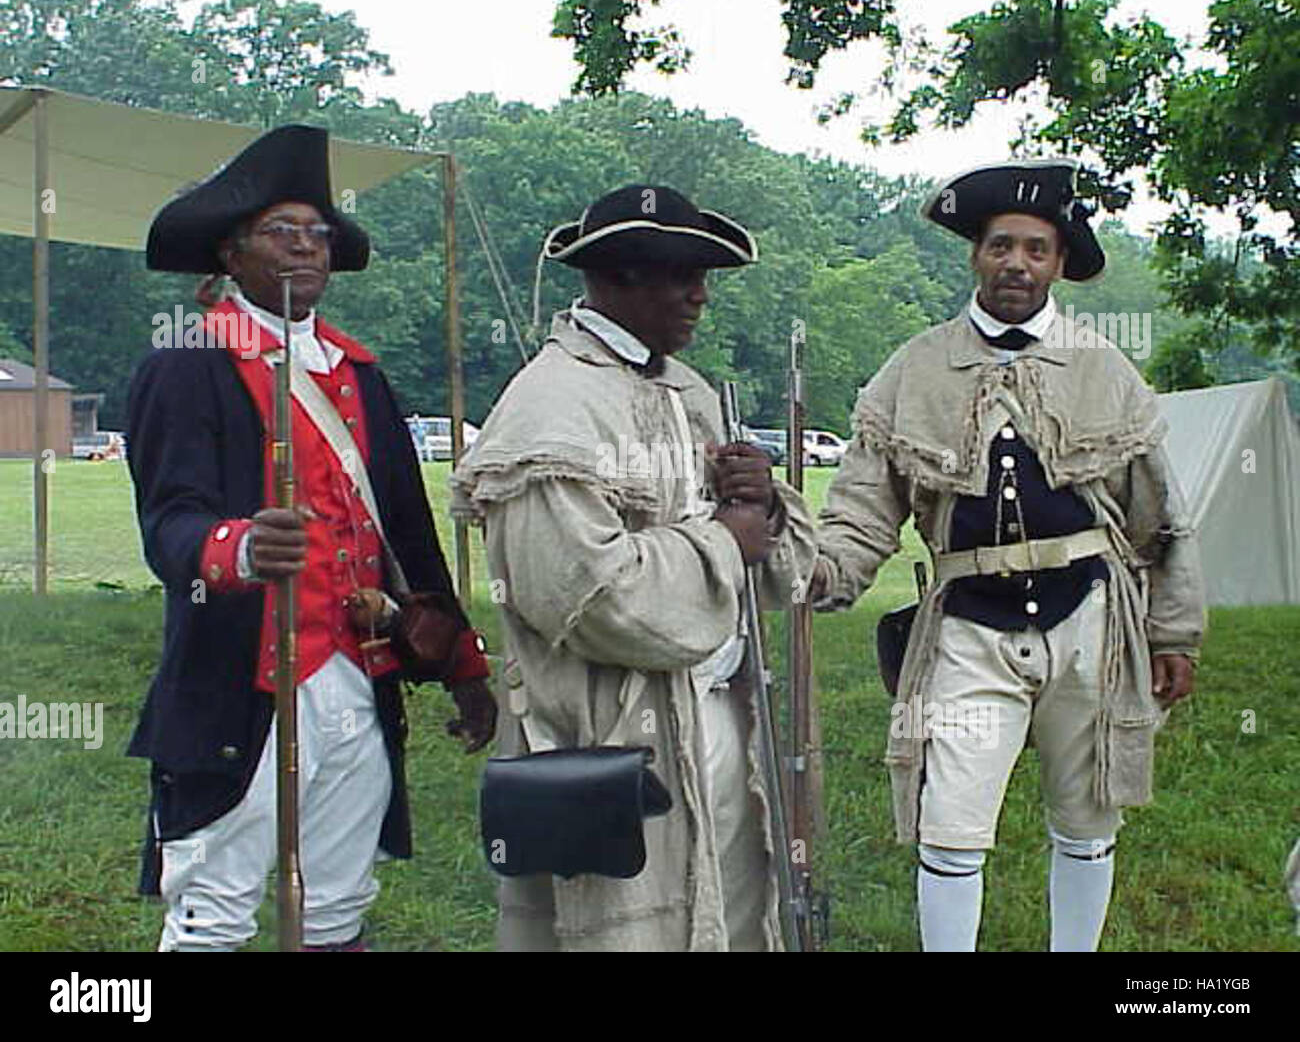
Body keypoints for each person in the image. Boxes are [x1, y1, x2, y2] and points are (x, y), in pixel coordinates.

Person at [811, 159, 1206, 952]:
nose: (1016, 263)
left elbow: (1160, 516)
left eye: (1034, 248)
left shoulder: (1105, 367)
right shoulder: (912, 370)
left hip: (1089, 617)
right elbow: (860, 509)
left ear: (1059, 262)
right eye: (1000, 246)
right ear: (976, 256)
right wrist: (815, 570)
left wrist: (1174, 632)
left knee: (1088, 813)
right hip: (967, 627)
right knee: (950, 824)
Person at [126, 124, 496, 952]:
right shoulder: (187, 363)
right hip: (240, 675)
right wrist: (243, 547)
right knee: (213, 907)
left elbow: (408, 530)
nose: (305, 247)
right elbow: (169, 520)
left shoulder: (359, 372)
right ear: (231, 252)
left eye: (317, 233)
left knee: (336, 902)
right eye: (280, 231)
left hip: (355, 677)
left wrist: (462, 664)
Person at [452, 184, 816, 951]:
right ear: (612, 276)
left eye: (704, 274)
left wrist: (761, 502)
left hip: (715, 718)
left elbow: (776, 567)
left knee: (733, 924)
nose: (699, 295)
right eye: (677, 273)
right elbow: (590, 597)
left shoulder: (686, 391)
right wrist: (724, 538)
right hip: (610, 735)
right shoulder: (548, 410)